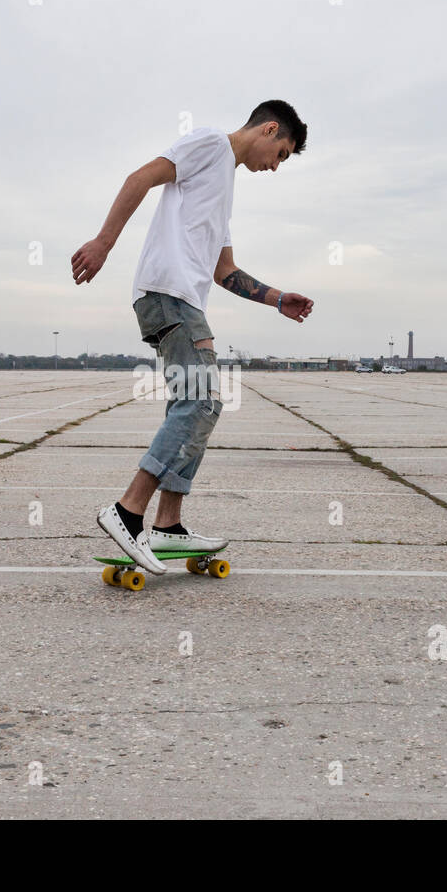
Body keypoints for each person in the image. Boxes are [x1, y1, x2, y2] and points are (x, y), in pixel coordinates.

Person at [71, 100, 314, 574]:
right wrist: (103, 242)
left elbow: (225, 271)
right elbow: (139, 179)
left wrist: (276, 298)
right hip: (168, 293)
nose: (276, 165)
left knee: (196, 403)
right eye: (281, 153)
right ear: (269, 129)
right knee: (201, 401)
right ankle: (126, 512)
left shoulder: (225, 185)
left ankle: (168, 527)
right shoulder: (209, 144)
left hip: (183, 299)